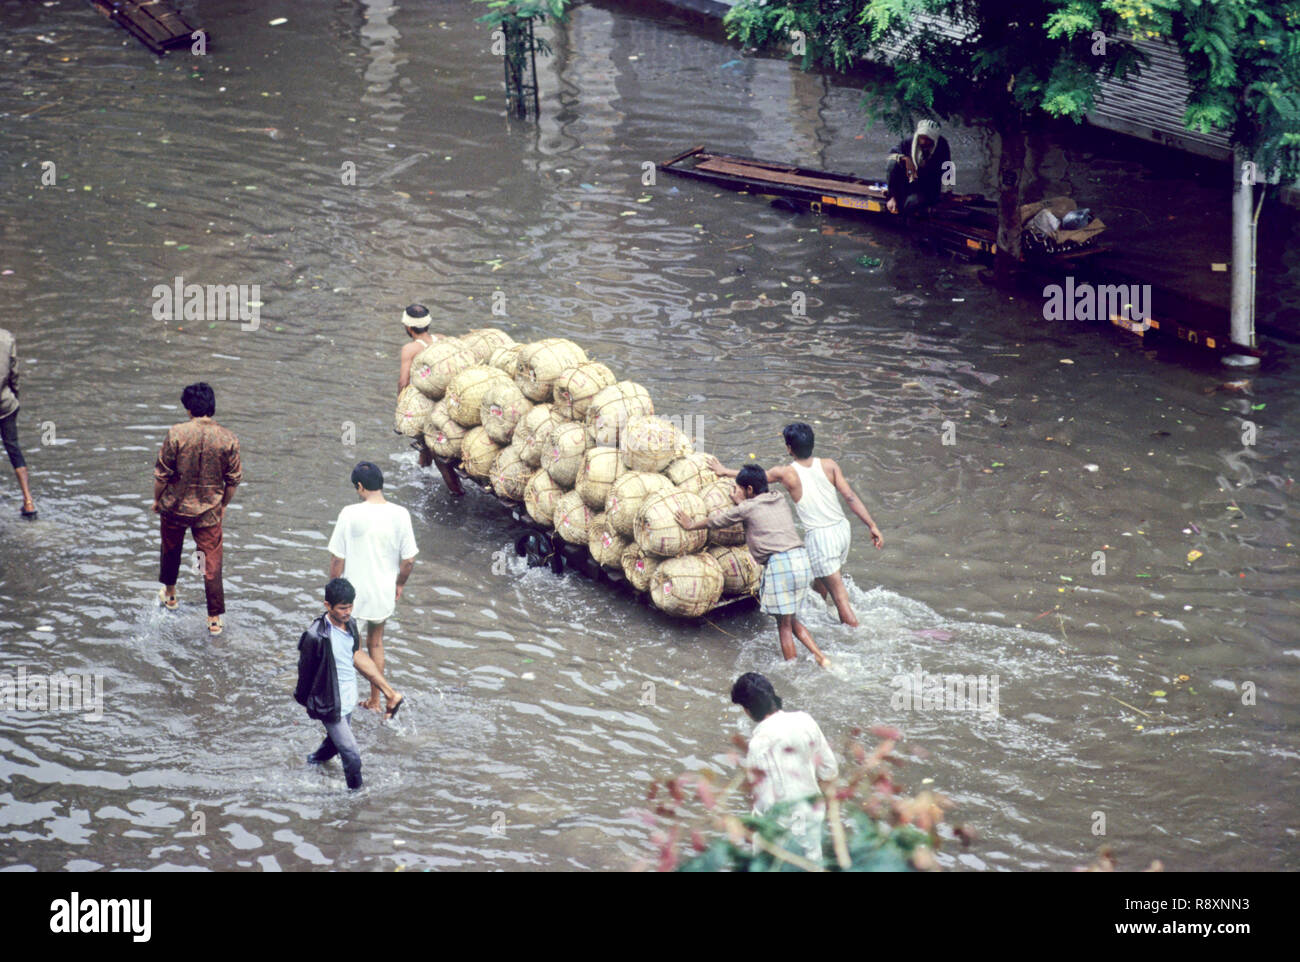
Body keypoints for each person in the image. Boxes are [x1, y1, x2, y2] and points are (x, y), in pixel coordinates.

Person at [709, 424, 883, 627]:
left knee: (840, 597)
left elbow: (754, 479)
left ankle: (857, 635)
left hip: (820, 536)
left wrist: (723, 471)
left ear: (789, 448)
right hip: (842, 530)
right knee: (822, 580)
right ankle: (822, 615)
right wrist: (872, 525)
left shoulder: (785, 473)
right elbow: (850, 497)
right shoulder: (830, 465)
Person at [675, 465, 830, 667]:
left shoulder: (745, 508)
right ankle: (820, 657)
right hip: (801, 560)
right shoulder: (778, 497)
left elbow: (717, 521)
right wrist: (742, 501)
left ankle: (791, 671)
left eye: (739, 488)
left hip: (780, 563)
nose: (736, 491)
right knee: (791, 620)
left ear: (748, 489)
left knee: (783, 626)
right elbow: (757, 508)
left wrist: (690, 525)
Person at [295, 578, 407, 791]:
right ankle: (356, 798)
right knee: (352, 755)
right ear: (327, 606)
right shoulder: (315, 636)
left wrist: (387, 691)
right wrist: (308, 702)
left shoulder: (351, 625)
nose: (347, 612)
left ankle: (311, 762)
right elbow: (305, 672)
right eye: (342, 608)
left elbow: (356, 654)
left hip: (348, 698)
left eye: (350, 607)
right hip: (330, 703)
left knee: (332, 747)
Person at [327, 461, 418, 713]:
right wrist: (400, 583)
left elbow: (337, 559)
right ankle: (375, 702)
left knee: (350, 647)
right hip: (384, 590)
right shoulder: (401, 514)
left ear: (360, 486)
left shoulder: (349, 513)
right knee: (375, 643)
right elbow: (409, 560)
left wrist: (332, 592)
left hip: (352, 595)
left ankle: (389, 694)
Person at [153, 382, 241, 636]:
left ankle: (170, 595)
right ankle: (214, 619)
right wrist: (223, 505)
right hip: (209, 511)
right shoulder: (228, 438)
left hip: (175, 506)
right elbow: (233, 481)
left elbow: (162, 475)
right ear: (211, 407)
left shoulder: (177, 433)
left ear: (189, 409)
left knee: (171, 550)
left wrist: (157, 500)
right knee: (210, 564)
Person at [731, 672, 839, 862]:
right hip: (810, 823)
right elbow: (829, 771)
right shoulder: (805, 721)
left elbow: (763, 803)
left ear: (748, 710)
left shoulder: (758, 744)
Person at [397, 303, 464, 496]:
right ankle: (423, 471)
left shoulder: (410, 349)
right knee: (424, 444)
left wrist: (402, 404)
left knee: (438, 455)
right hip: (450, 399)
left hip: (430, 405)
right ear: (428, 323)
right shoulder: (442, 339)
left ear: (408, 327)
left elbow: (403, 382)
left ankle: (456, 492)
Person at [0, 327, 37, 519]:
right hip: (5, 404)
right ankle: (28, 500)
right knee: (13, 448)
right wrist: (15, 395)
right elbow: (14, 373)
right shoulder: (6, 338)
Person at [885, 119, 951, 217]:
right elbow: (891, 155)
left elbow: (948, 168)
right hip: (908, 181)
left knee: (912, 203)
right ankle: (892, 198)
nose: (923, 142)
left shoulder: (942, 145)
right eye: (922, 138)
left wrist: (947, 191)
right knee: (893, 163)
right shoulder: (909, 142)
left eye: (927, 139)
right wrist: (905, 159)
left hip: (926, 186)